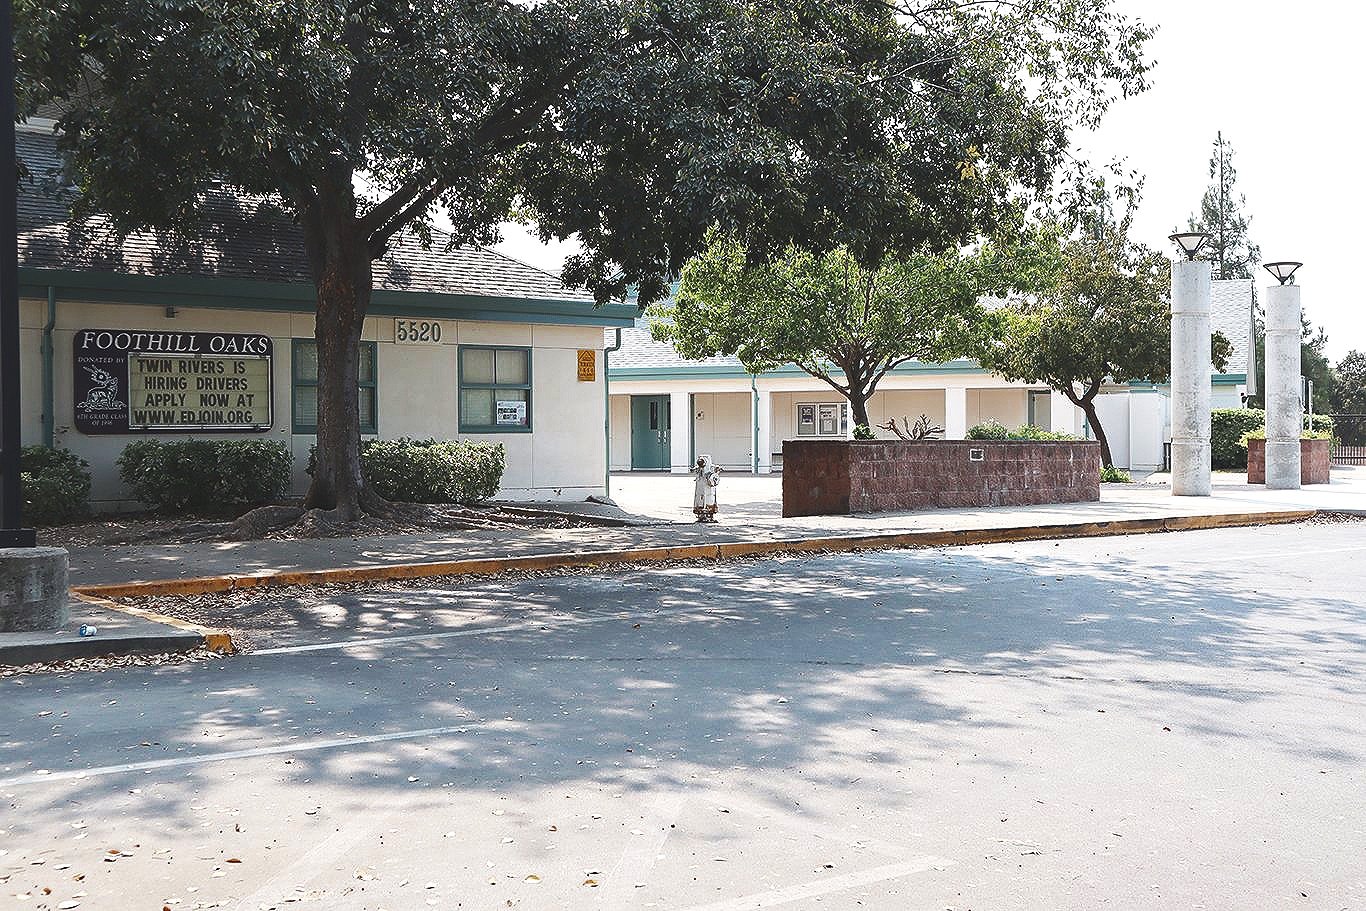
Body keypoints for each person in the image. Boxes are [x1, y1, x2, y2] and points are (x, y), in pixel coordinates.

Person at [692, 454, 721, 522]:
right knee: (701, 496)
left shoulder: (710, 468)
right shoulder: (700, 468)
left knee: (706, 496)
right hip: (702, 483)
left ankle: (708, 510)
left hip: (707, 484)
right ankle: (702, 511)